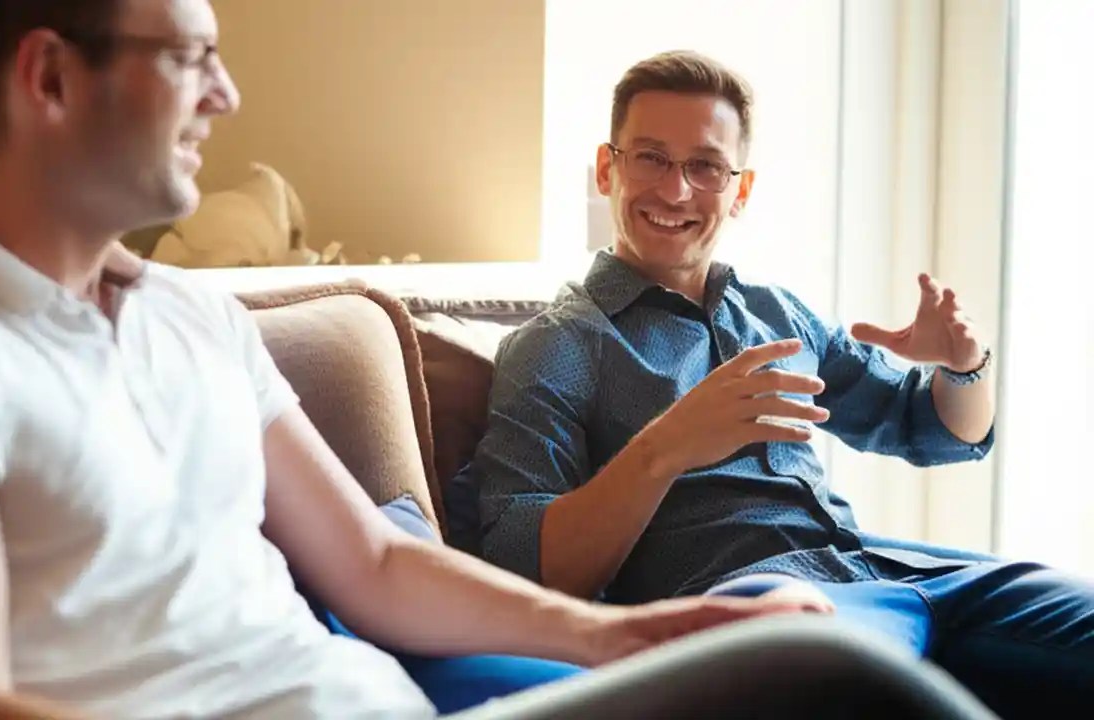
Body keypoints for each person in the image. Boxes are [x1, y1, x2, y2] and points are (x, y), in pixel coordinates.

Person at [0, 3, 998, 718]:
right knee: (826, 687)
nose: (227, 94)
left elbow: (376, 561)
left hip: (380, 700)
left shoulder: (193, 321)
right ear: (50, 76)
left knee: (791, 669)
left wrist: (626, 637)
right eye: (191, 55)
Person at [448, 49, 1094, 718]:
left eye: (704, 166)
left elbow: (928, 428)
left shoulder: (777, 313)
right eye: (650, 158)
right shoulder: (559, 345)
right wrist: (666, 448)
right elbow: (527, 566)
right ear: (608, 169)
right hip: (761, 606)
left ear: (741, 190)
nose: (675, 191)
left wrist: (963, 366)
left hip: (897, 571)